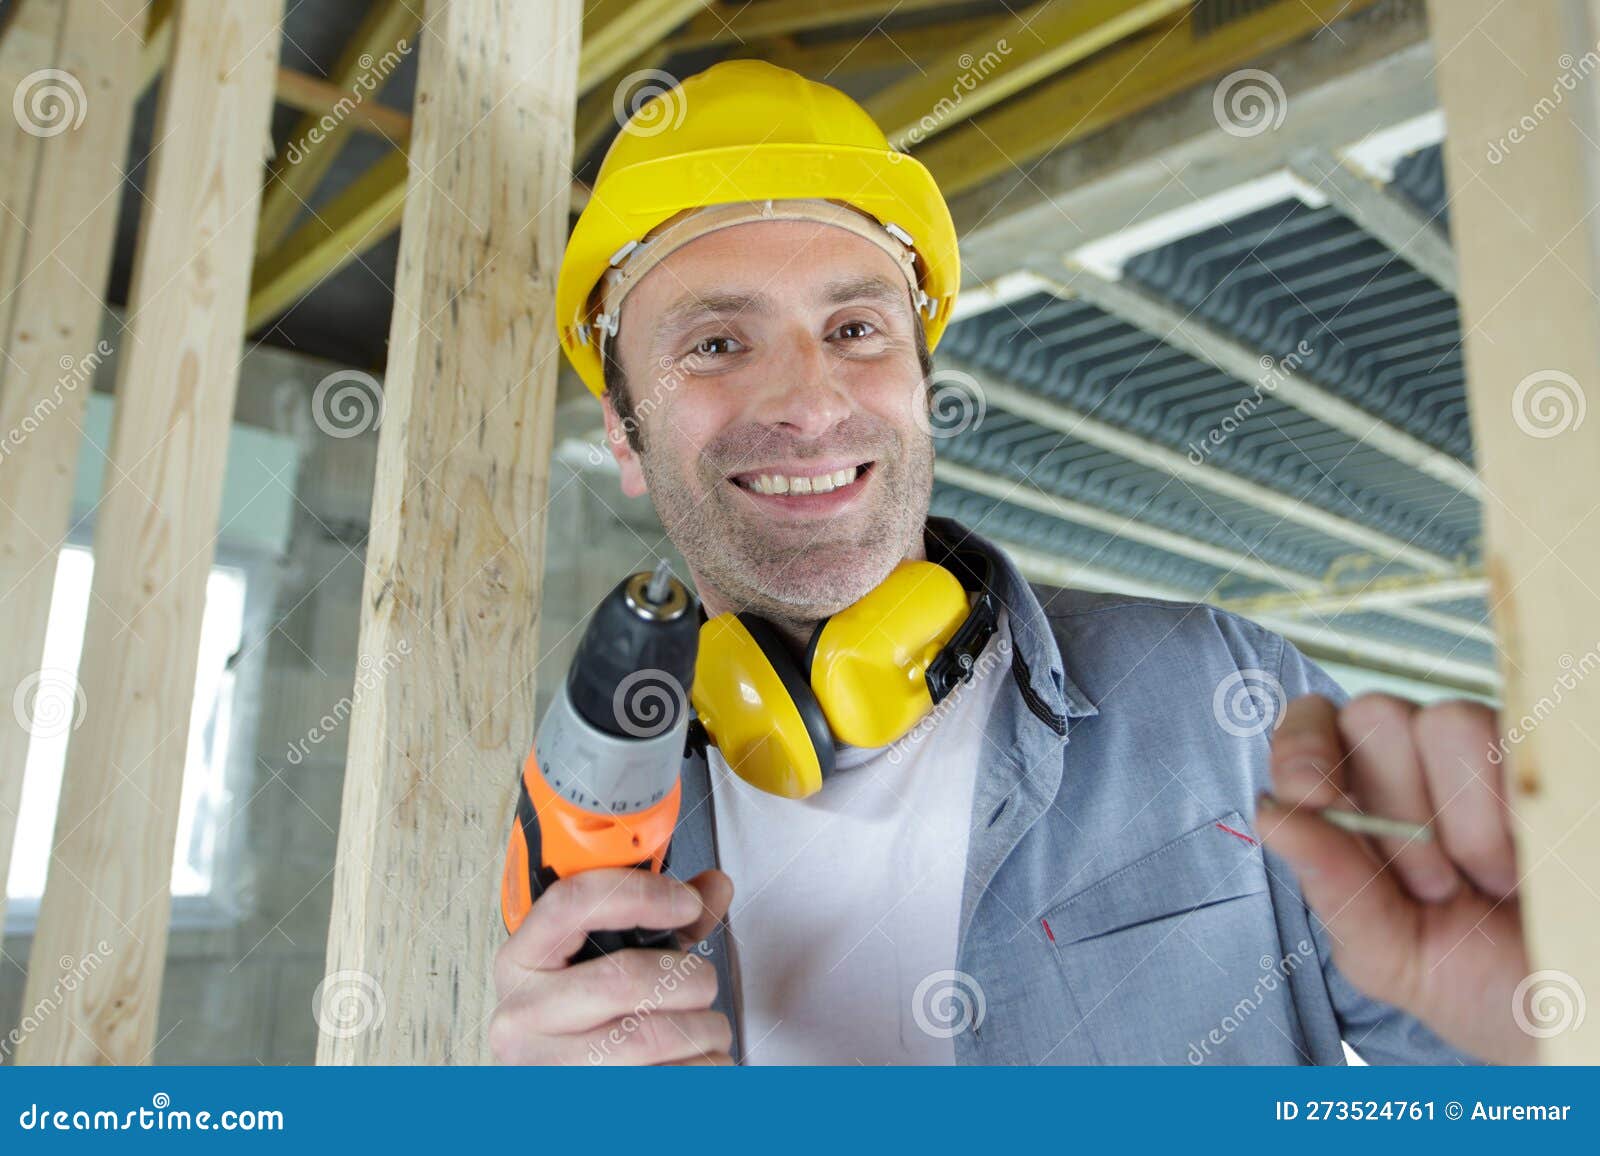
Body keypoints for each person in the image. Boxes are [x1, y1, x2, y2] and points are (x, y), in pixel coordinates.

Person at [489, 60, 1528, 1066]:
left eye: (854, 328)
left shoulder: (1219, 695)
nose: (809, 402)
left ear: (922, 388)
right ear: (624, 435)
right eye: (715, 344)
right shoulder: (597, 851)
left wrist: (1542, 1038)